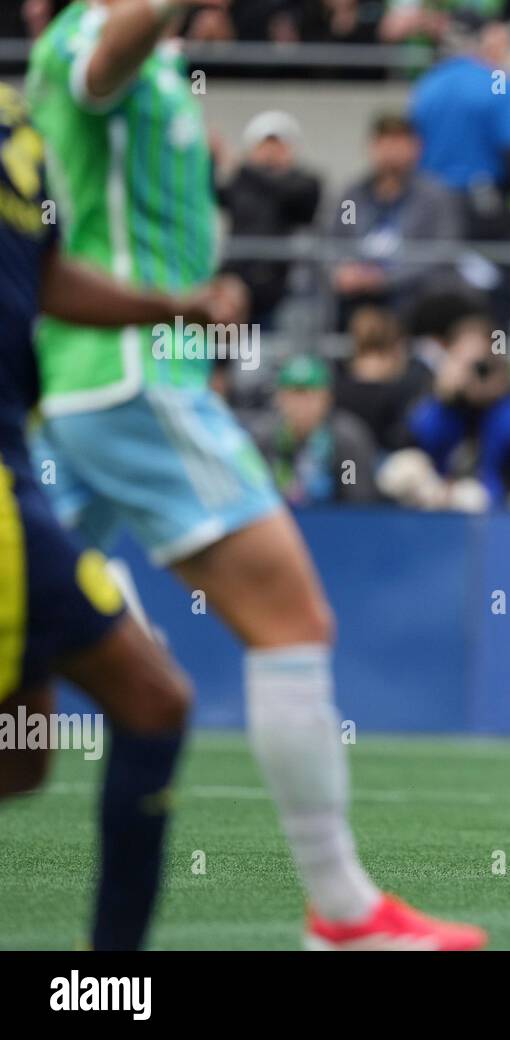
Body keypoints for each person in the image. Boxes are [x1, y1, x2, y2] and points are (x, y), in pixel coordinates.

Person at [27, 0, 484, 951]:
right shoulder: (88, 32)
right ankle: (344, 912)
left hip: (91, 380)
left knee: (28, 711)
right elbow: (100, 63)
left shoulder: (158, 58)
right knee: (293, 622)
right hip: (132, 382)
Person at [0, 79, 202, 952]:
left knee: (22, 755)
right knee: (153, 699)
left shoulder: (16, 123)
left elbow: (44, 278)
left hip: (17, 462)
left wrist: (172, 308)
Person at [407, 296, 510, 508]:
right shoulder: (441, 407)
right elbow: (420, 437)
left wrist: (499, 393)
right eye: (462, 363)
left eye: (480, 367)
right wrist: (445, 398)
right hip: (442, 507)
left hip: (499, 508)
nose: (472, 376)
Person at [329, 112, 464, 328]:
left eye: (399, 142)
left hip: (414, 297)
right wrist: (343, 271)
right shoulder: (353, 195)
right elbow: (335, 241)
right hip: (356, 297)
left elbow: (442, 252)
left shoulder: (435, 197)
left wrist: (385, 278)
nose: (391, 151)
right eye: (385, 142)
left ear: (415, 147)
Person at [408, 16, 510, 239]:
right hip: (481, 202)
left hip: (433, 200)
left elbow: (414, 143)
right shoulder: (497, 81)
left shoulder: (427, 84)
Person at [217, 110, 322, 326]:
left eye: (278, 145)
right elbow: (210, 193)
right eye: (265, 145)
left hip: (284, 290)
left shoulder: (306, 183)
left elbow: (291, 196)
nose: (271, 152)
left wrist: (243, 166)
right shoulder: (241, 185)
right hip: (239, 287)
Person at [252, 357, 380, 507]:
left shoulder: (347, 441)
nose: (301, 405)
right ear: (279, 398)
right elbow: (254, 497)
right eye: (294, 394)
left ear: (327, 398)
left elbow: (357, 498)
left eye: (310, 394)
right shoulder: (262, 440)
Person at [333, 305, 430, 454]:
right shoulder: (403, 392)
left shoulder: (337, 387)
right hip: (357, 465)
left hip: (352, 469)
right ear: (397, 348)